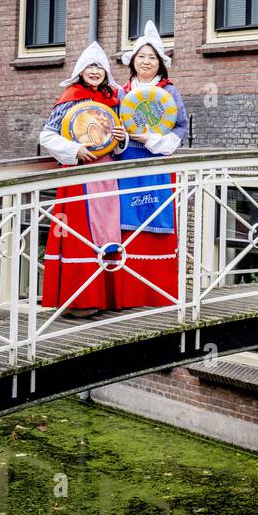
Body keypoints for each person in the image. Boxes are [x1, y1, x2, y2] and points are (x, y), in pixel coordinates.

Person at [38, 42, 129, 318]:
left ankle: (103, 297)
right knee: (78, 236)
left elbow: (115, 141)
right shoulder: (71, 97)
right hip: (78, 175)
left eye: (99, 67)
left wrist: (121, 140)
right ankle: (77, 301)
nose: (95, 71)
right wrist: (73, 149)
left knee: (108, 232)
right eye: (90, 66)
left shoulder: (114, 99)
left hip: (106, 177)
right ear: (80, 70)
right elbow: (47, 135)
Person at [113, 22, 188, 308]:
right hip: (126, 164)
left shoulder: (170, 92)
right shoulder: (120, 93)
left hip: (155, 165)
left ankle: (157, 296)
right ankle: (125, 295)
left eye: (152, 57)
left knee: (156, 225)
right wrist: (120, 138)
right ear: (133, 60)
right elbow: (111, 127)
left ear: (161, 63)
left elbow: (180, 128)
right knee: (124, 229)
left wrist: (153, 140)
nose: (146, 62)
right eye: (142, 56)